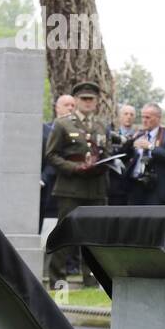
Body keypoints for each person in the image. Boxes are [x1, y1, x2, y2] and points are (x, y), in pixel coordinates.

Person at [43, 82, 110, 289]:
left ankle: (91, 280)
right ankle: (57, 281)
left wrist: (104, 163)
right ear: (77, 101)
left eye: (92, 99)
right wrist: (74, 167)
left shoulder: (101, 126)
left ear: (97, 102)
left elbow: (105, 153)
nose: (88, 103)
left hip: (96, 188)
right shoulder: (63, 124)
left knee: (94, 235)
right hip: (71, 187)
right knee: (65, 234)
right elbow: (51, 155)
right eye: (84, 99)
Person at [122, 103, 165, 206]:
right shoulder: (139, 134)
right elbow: (126, 155)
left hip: (155, 188)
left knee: (153, 220)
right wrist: (130, 145)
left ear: (158, 118)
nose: (144, 120)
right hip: (135, 185)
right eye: (142, 117)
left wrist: (151, 147)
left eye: (148, 117)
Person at [40, 93, 75, 225]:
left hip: (68, 187)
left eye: (73, 105)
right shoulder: (44, 130)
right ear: (57, 108)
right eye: (66, 105)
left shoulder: (81, 132)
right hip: (45, 187)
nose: (70, 108)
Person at [107, 103, 137, 206]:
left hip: (132, 184)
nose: (128, 117)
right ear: (119, 117)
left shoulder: (139, 136)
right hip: (114, 184)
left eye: (131, 114)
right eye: (126, 114)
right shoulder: (111, 135)